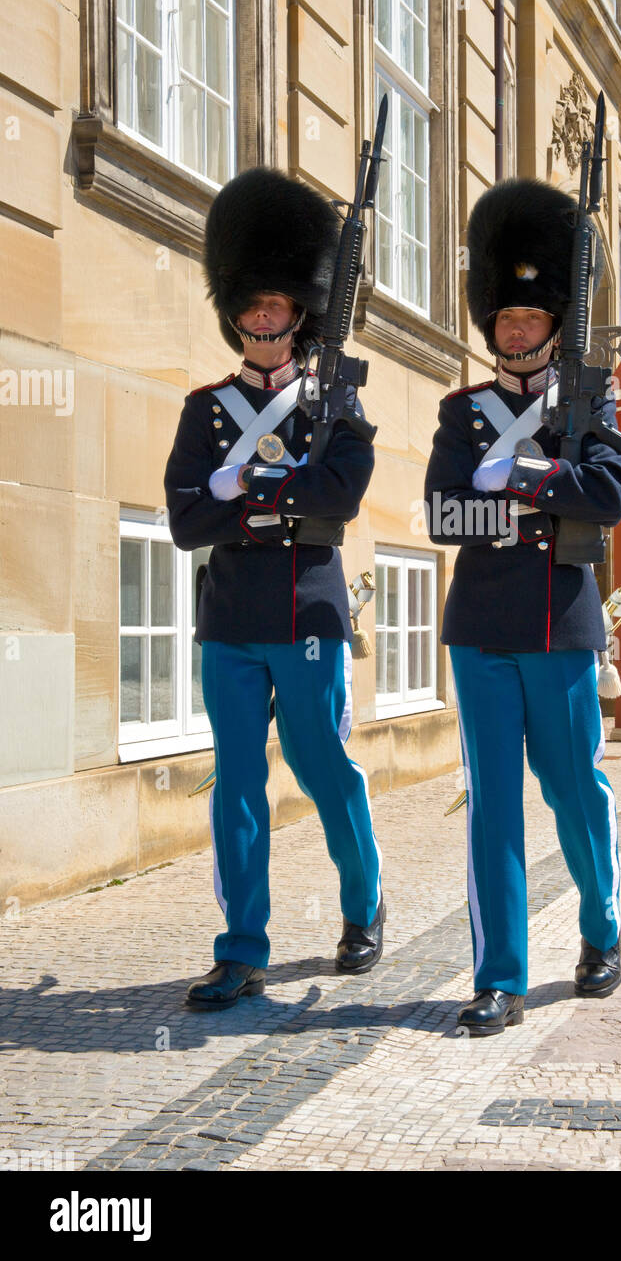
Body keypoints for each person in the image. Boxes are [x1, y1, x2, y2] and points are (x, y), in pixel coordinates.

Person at [164, 167, 384, 1011]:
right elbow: (186, 521)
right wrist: (275, 501)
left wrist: (246, 498)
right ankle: (241, 947)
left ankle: (362, 907)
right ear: (236, 312)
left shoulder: (335, 402)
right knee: (237, 783)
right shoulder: (206, 409)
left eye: (278, 304)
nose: (263, 317)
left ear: (301, 311)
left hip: (307, 614)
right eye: (251, 304)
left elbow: (342, 494)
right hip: (230, 620)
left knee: (320, 763)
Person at [424, 177, 621, 1036]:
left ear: (555, 323)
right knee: (493, 800)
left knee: (573, 786)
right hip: (481, 631)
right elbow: (442, 513)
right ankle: (499, 974)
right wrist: (540, 503)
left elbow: (611, 492)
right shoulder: (461, 412)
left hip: (560, 625)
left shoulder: (587, 401)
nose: (516, 330)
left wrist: (533, 476)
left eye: (531, 318)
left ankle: (601, 927)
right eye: (505, 319)